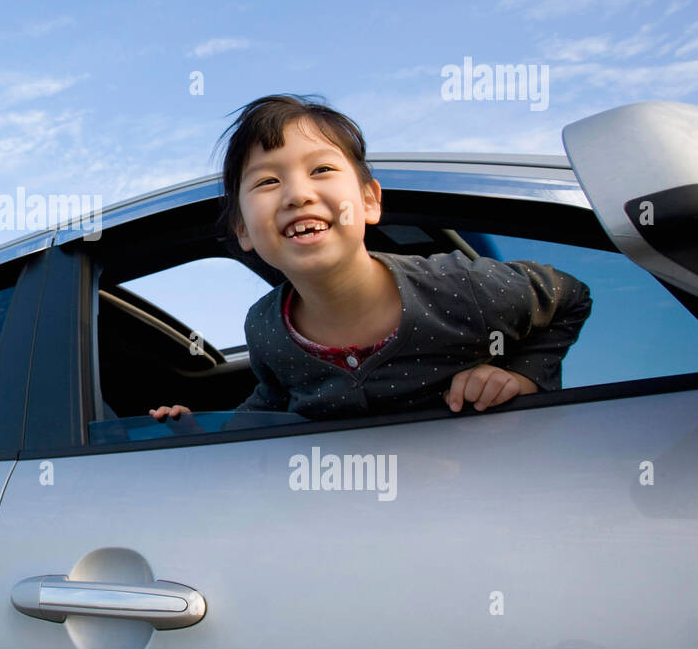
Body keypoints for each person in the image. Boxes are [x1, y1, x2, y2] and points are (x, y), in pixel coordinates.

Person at [149, 94, 592, 428]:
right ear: (244, 230)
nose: (298, 194)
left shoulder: (458, 286)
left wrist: (520, 374)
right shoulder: (264, 326)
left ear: (368, 201)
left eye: (320, 170)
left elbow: (570, 297)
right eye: (267, 181)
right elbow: (272, 399)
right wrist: (201, 431)